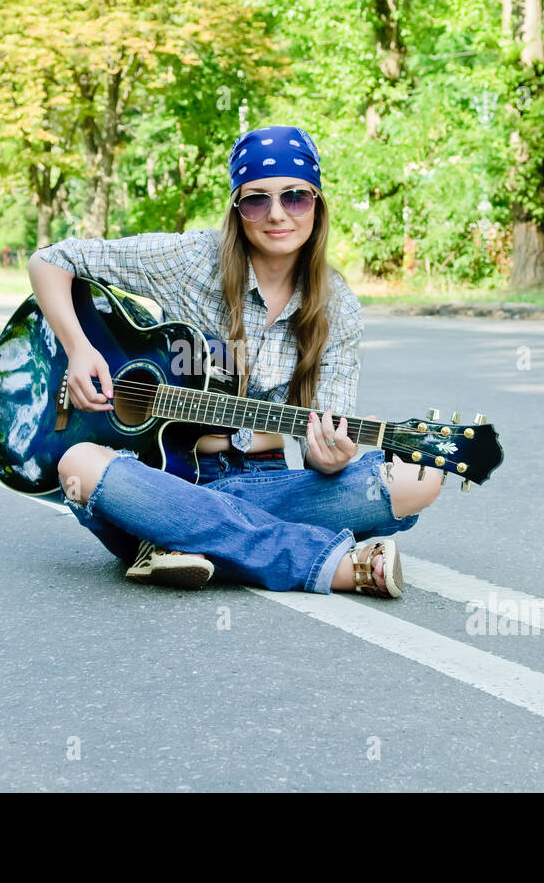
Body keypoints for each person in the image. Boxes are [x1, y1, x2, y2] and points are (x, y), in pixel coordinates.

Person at [27, 125, 442, 597]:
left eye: (295, 197)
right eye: (256, 200)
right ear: (237, 209)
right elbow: (50, 260)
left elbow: (318, 450)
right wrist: (80, 350)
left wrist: (330, 454)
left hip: (264, 485)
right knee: (79, 464)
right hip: (157, 475)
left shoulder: (337, 307)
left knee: (418, 480)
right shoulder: (191, 259)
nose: (277, 214)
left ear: (318, 205)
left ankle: (179, 535)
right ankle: (332, 567)